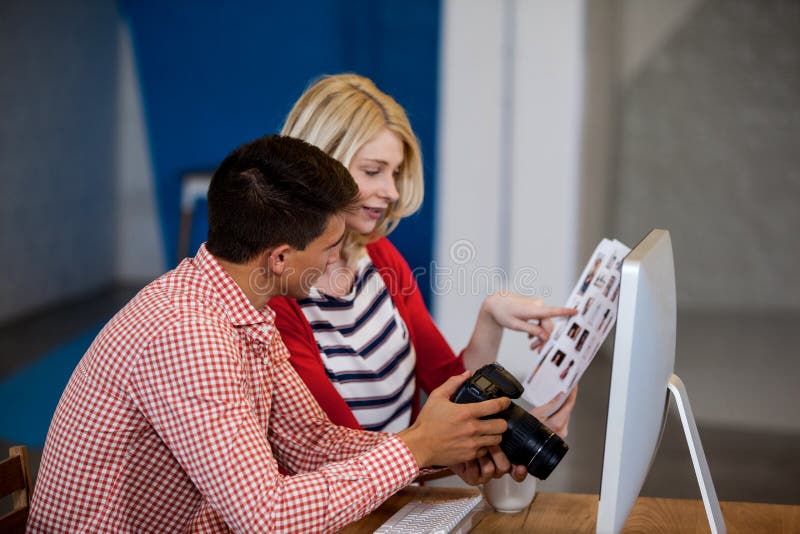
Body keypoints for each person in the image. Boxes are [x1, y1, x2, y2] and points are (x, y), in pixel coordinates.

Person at [27, 136, 513, 533]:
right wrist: (416, 448)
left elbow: (312, 443)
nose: (335, 262)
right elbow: (268, 515)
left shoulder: (241, 308)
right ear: (279, 258)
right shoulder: (190, 334)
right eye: (330, 247)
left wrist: (441, 450)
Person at [270, 74, 578, 485]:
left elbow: (447, 384)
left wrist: (490, 317)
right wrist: (466, 451)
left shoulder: (378, 257)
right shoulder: (276, 299)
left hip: (397, 495)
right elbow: (337, 452)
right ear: (318, 166)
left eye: (394, 173)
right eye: (374, 171)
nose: (391, 191)